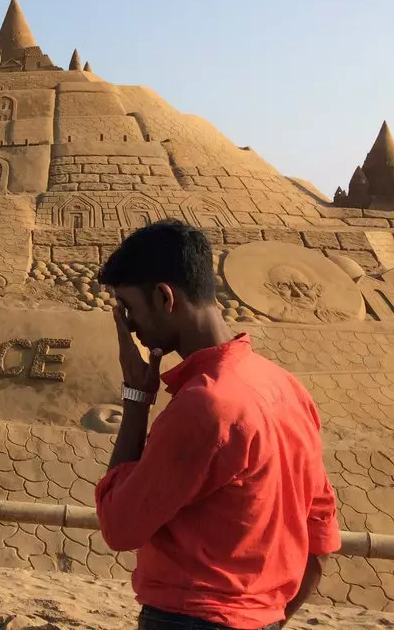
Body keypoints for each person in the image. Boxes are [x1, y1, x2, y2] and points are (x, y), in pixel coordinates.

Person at [94, 220, 341, 630]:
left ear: (163, 297)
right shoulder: (287, 387)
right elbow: (320, 533)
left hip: (192, 618)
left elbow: (119, 526)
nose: (128, 325)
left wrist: (136, 399)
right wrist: (270, 615)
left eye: (127, 308)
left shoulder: (205, 405)